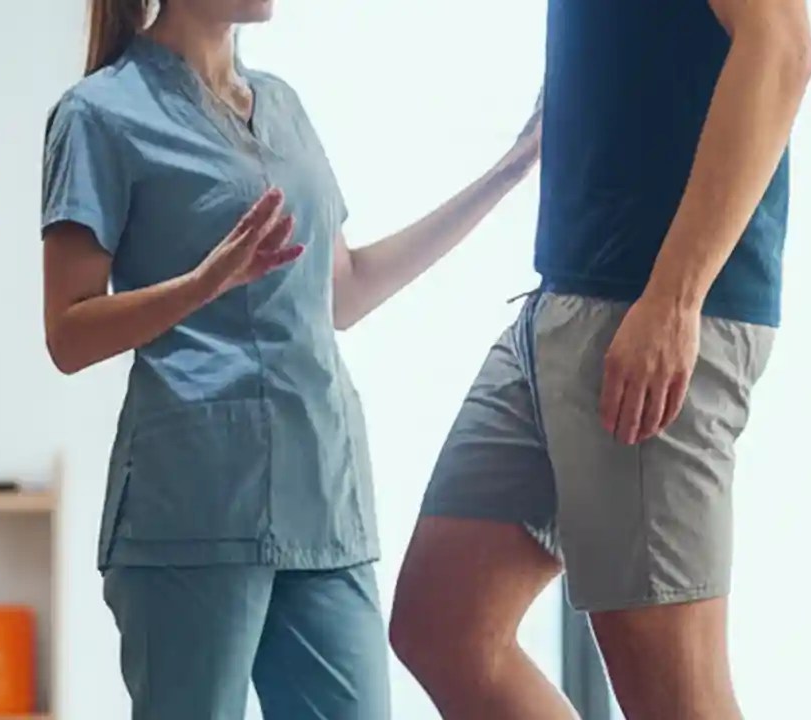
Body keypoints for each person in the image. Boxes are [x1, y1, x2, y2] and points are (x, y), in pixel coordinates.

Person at [39, 1, 540, 718]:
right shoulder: (98, 114)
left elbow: (345, 291)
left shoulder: (283, 105)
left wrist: (508, 172)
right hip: (192, 508)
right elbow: (68, 333)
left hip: (324, 498)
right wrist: (202, 283)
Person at [390, 0, 811, 718]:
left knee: (675, 695)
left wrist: (675, 299)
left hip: (652, 308)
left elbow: (783, 52)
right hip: (563, 296)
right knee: (445, 625)